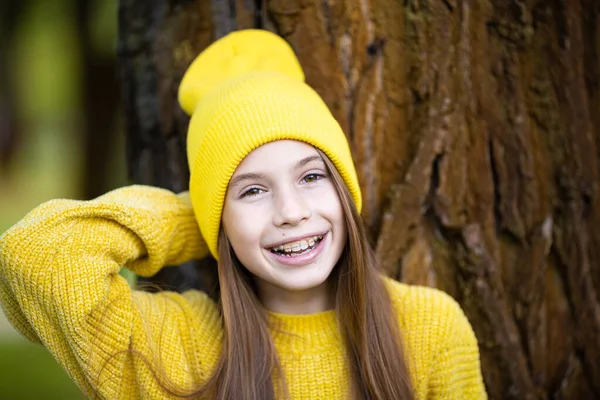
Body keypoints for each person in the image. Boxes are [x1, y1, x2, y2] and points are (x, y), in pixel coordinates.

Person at [0, 30, 486, 399]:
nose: (291, 213)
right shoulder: (180, 345)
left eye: (312, 177)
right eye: (253, 190)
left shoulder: (428, 330)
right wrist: (203, 217)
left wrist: (235, 209)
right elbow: (32, 255)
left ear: (344, 189)